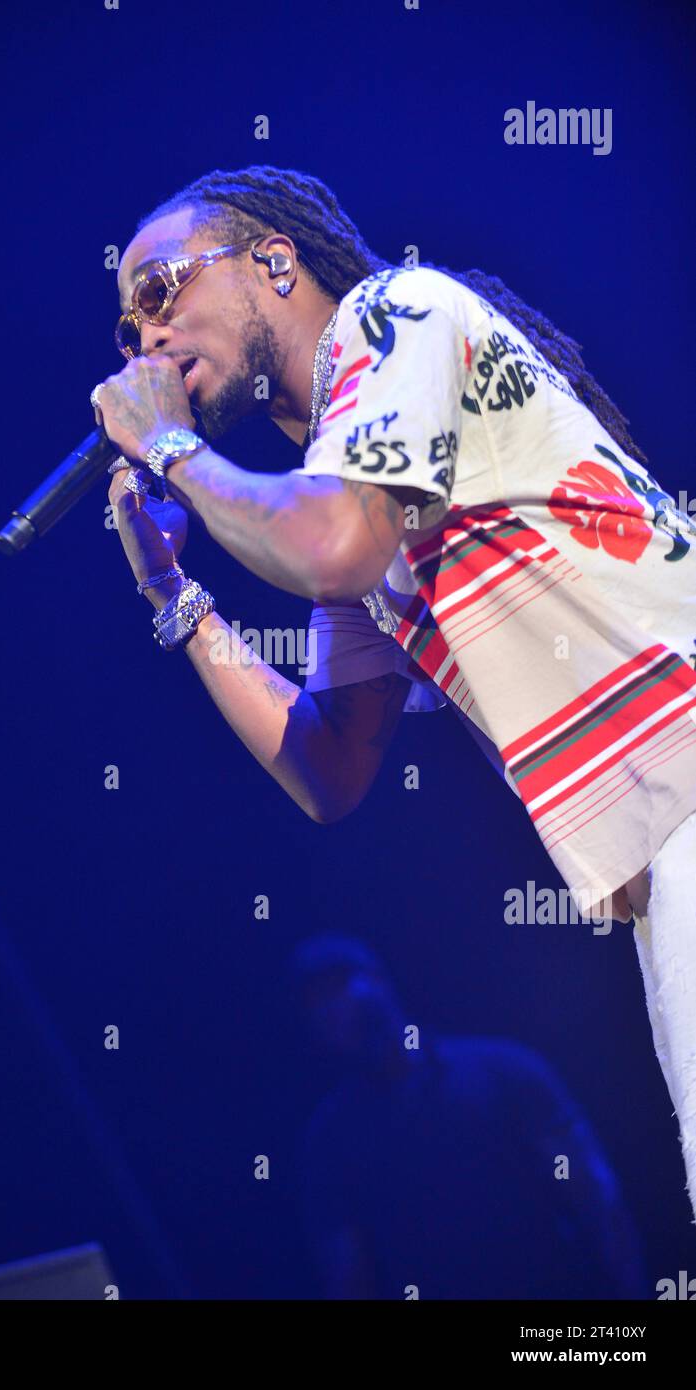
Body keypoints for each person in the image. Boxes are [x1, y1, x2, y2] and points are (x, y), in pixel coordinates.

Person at [91, 164, 696, 1222]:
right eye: (125, 326)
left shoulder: (396, 310)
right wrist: (171, 586)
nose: (143, 337)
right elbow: (328, 764)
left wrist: (173, 449)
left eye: (160, 292)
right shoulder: (359, 485)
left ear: (273, 262)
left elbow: (325, 544)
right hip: (663, 860)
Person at [290, 934, 646, 1300]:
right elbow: (347, 1271)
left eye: (338, 988)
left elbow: (593, 1191)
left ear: (378, 980)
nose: (333, 1009)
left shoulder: (503, 1070)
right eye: (317, 1004)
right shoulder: (330, 1137)